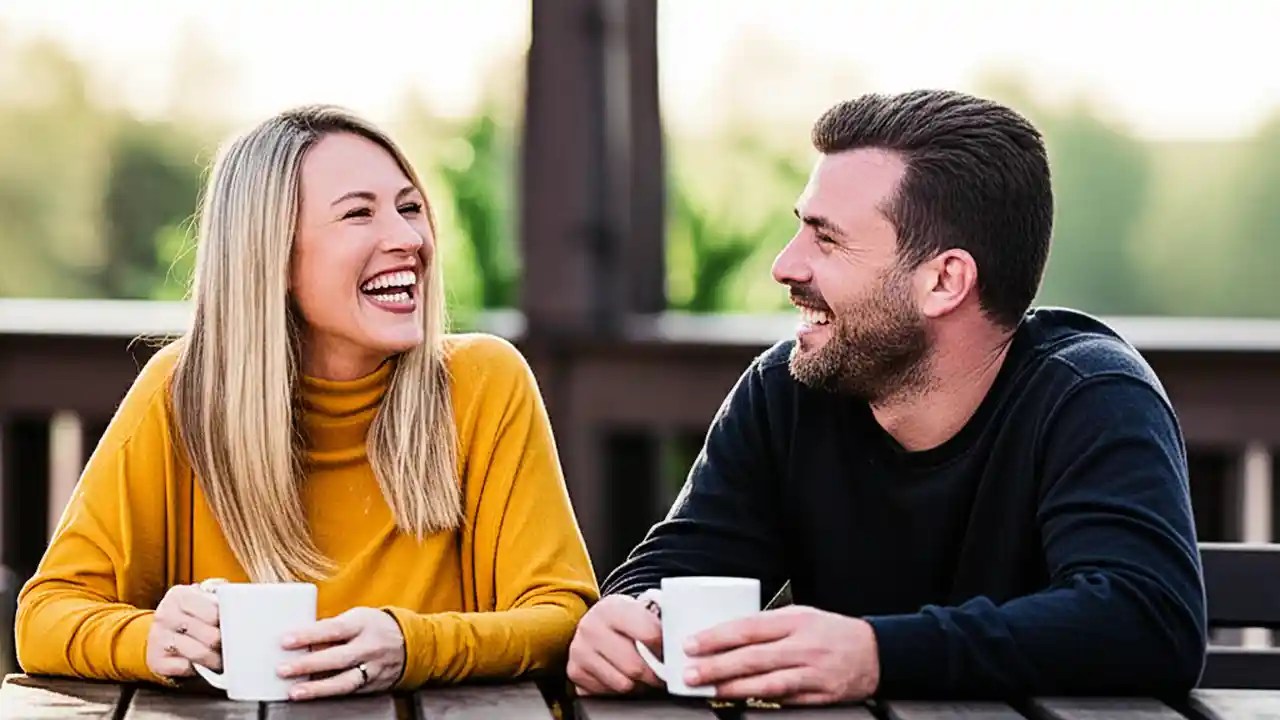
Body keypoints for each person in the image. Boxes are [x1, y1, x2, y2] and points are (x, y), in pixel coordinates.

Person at [567, 89, 1206, 702]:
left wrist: (877, 654)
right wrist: (630, 616)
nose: (785, 265)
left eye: (827, 238)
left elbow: (1146, 622)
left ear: (944, 281)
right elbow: (680, 564)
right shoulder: (787, 391)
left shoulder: (1090, 395)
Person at [15, 105, 599, 700]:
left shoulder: (484, 383)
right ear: (274, 257)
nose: (408, 239)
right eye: (359, 214)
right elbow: (45, 616)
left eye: (409, 207)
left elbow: (563, 618)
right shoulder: (181, 395)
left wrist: (412, 646)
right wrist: (150, 638)